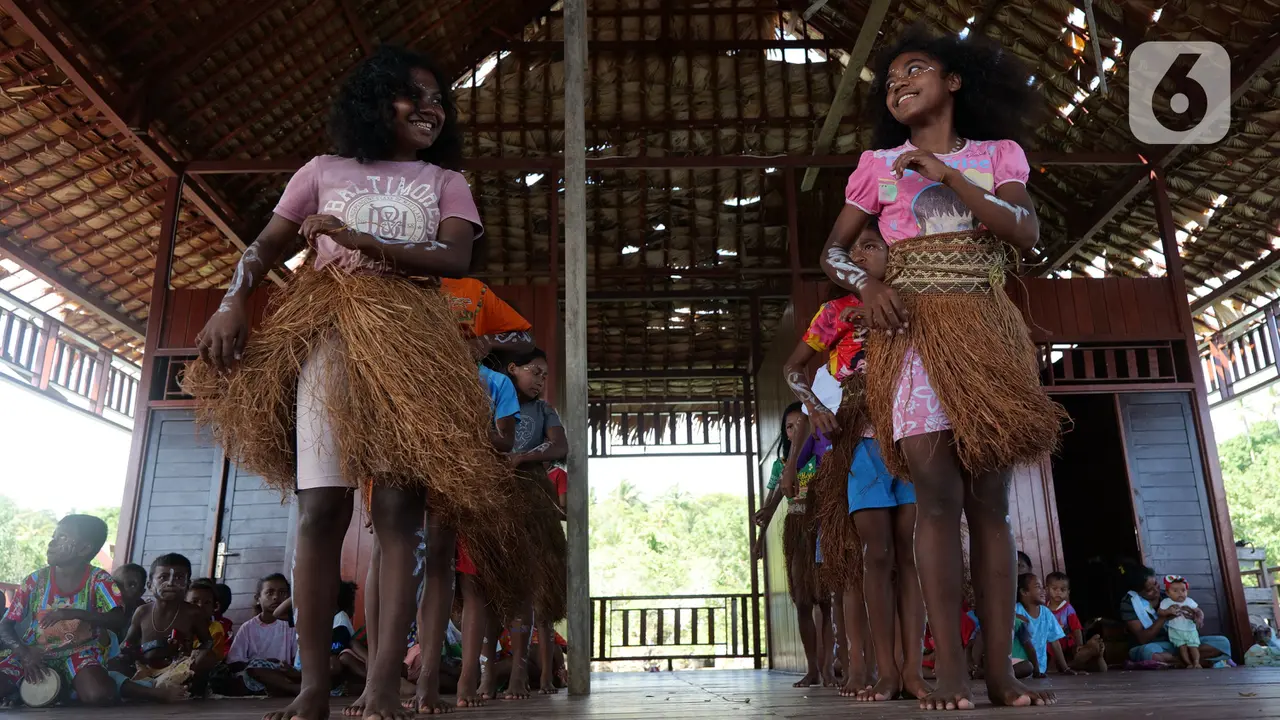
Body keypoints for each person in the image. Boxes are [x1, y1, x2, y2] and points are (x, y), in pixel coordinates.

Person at [184, 44, 513, 720]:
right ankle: (312, 686)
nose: (430, 108)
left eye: (437, 100)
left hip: (411, 344)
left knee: (399, 515)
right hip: (328, 337)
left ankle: (385, 684)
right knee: (321, 508)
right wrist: (230, 300)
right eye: (411, 95)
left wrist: (361, 241)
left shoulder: (444, 180)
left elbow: (452, 255)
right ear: (373, 102)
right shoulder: (322, 170)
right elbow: (265, 247)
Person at [818, 26, 1068, 710]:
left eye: (914, 71)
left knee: (990, 505)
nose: (898, 84)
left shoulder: (999, 155)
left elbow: (1024, 232)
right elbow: (833, 254)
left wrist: (950, 177)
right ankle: (949, 674)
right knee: (936, 497)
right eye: (890, 81)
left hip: (985, 332)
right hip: (917, 337)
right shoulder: (877, 165)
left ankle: (1001, 672)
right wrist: (866, 287)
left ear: (954, 81)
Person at [794, 225, 925, 702]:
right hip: (860, 447)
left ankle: (914, 671)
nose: (860, 256)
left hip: (912, 437)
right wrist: (815, 405)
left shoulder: (915, 303)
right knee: (879, 555)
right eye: (850, 252)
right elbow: (793, 367)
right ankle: (884, 671)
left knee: (913, 555)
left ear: (891, 252)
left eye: (870, 246)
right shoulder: (833, 314)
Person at [0, 515, 124, 706]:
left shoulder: (99, 580)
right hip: (34, 653)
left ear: (84, 548)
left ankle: (62, 687)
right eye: (53, 536)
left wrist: (76, 613)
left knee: (100, 695)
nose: (51, 543)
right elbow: (5, 625)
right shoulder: (34, 581)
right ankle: (50, 689)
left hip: (79, 652)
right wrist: (23, 653)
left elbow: (118, 620)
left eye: (62, 538)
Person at [503, 347, 569, 696]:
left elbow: (560, 446)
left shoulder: (545, 410)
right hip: (500, 499)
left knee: (540, 589)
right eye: (535, 371)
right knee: (505, 590)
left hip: (535, 500)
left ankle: (542, 675)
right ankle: (503, 673)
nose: (541, 380)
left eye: (545, 374)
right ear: (512, 369)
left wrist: (524, 457)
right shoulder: (497, 401)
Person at [123, 553, 215, 689]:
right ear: (150, 585)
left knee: (207, 657)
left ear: (188, 584)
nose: (171, 583)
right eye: (163, 577)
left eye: (178, 577)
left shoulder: (193, 612)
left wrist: (195, 656)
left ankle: (176, 689)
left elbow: (207, 642)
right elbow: (128, 643)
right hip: (144, 668)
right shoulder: (142, 612)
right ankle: (152, 687)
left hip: (178, 669)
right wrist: (125, 653)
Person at [1119, 566, 1230, 667]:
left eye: (1156, 584)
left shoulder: (1168, 596)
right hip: (1158, 646)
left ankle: (1176, 662)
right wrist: (1164, 617)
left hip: (1179, 643)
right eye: (1149, 590)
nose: (1156, 590)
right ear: (1138, 592)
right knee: (1148, 652)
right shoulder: (1129, 604)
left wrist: (1193, 618)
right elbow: (1143, 639)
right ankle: (1194, 662)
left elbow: (1191, 625)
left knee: (1222, 643)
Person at [220, 574, 299, 698]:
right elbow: (233, 662)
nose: (276, 597)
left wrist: (285, 667)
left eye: (282, 592)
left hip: (283, 673)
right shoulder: (248, 627)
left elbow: (297, 659)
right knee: (253, 669)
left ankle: (282, 687)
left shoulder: (292, 625)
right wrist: (261, 662)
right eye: (269, 592)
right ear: (258, 598)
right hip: (257, 674)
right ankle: (290, 689)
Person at [1012, 574, 1075, 677]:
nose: (1043, 590)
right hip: (1018, 665)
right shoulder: (1015, 611)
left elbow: (1055, 642)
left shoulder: (1046, 613)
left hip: (1040, 671)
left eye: (1043, 587)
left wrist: (1065, 668)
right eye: (1038, 587)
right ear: (1024, 592)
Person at [1045, 572, 1106, 672]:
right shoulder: (1044, 608)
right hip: (1050, 645)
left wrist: (1080, 646)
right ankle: (1075, 662)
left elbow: (1076, 629)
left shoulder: (1068, 609)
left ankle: (1086, 653)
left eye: (1062, 590)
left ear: (1068, 592)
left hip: (1067, 643)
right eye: (1054, 589)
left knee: (1075, 652)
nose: (1058, 592)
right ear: (1047, 589)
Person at [1159, 575, 1202, 670]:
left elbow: (1198, 610)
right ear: (1167, 593)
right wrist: (1168, 612)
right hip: (1175, 630)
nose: (1180, 593)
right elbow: (1160, 612)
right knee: (1182, 648)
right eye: (1175, 591)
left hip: (1190, 629)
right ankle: (1188, 663)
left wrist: (1199, 618)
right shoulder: (1166, 602)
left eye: (1183, 590)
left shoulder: (1189, 601)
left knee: (1193, 647)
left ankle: (1196, 663)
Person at [188, 579, 231, 663]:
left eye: (207, 602)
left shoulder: (215, 629)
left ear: (214, 607)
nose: (200, 605)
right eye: (194, 601)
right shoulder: (177, 624)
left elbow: (207, 661)